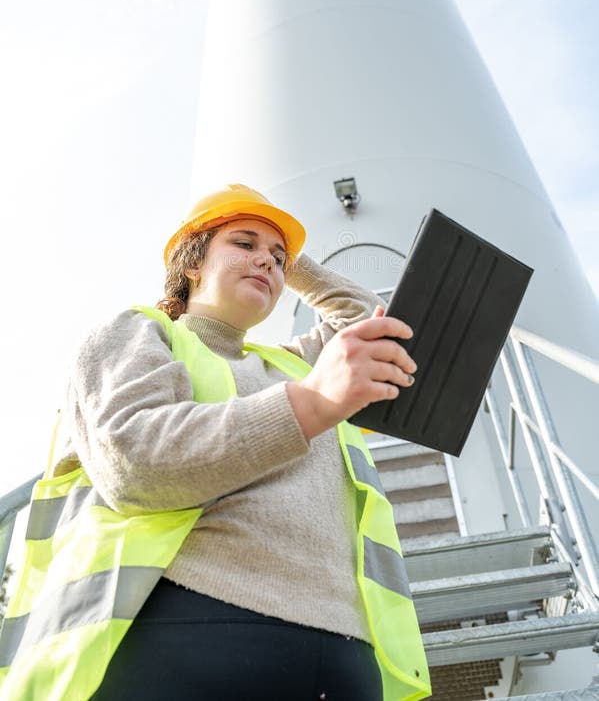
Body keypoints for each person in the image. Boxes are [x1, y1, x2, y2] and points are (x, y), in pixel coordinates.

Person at [0, 184, 431, 701]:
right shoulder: (137, 332)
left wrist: (290, 263)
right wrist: (310, 403)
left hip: (344, 653)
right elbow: (134, 463)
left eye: (276, 255)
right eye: (243, 243)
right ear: (192, 263)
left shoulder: (288, 365)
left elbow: (371, 326)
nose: (265, 262)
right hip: (183, 630)